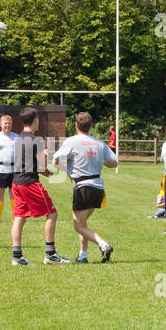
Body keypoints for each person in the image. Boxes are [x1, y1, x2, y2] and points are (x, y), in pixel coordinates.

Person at [53, 111, 117, 262]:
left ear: (76, 125)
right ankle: (83, 255)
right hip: (98, 187)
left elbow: (55, 159)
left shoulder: (72, 141)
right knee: (83, 224)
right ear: (91, 126)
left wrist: (67, 169)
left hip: (83, 186)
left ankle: (103, 244)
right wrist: (99, 161)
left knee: (78, 226)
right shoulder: (99, 143)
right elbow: (114, 162)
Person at [9, 107, 68, 265]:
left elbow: (28, 162)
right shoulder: (36, 140)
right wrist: (49, 157)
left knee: (20, 217)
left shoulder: (19, 138)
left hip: (16, 182)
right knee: (52, 213)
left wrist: (45, 172)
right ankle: (50, 253)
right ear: (35, 119)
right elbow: (41, 162)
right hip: (29, 183)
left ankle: (17, 256)